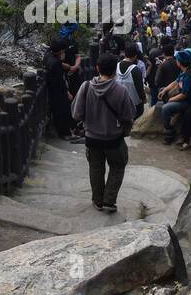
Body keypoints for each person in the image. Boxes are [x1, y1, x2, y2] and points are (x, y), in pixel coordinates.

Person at [72, 53, 136, 214]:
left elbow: (76, 115)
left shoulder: (86, 87)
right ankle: (109, 201)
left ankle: (98, 200)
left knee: (95, 168)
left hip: (92, 138)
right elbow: (129, 115)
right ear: (115, 70)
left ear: (97, 68)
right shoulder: (120, 91)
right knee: (118, 166)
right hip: (114, 139)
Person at [159, 50, 191, 144]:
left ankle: (169, 132)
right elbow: (176, 81)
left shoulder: (189, 75)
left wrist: (170, 99)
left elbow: (184, 94)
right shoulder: (185, 70)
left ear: (179, 62)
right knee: (162, 90)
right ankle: (174, 114)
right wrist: (165, 89)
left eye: (177, 60)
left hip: (189, 101)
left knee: (165, 108)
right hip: (183, 97)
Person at [43, 40, 80, 142]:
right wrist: (67, 92)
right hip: (57, 91)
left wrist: (66, 65)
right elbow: (60, 81)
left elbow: (59, 64)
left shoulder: (48, 55)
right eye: (63, 51)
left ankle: (70, 130)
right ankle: (66, 133)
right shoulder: (54, 64)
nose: (64, 53)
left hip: (53, 90)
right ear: (60, 51)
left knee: (61, 112)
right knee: (63, 112)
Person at [115, 42, 147, 117]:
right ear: (135, 56)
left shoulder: (117, 66)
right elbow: (139, 88)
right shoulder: (135, 70)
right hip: (135, 103)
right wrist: (144, 98)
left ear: (125, 54)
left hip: (120, 102)